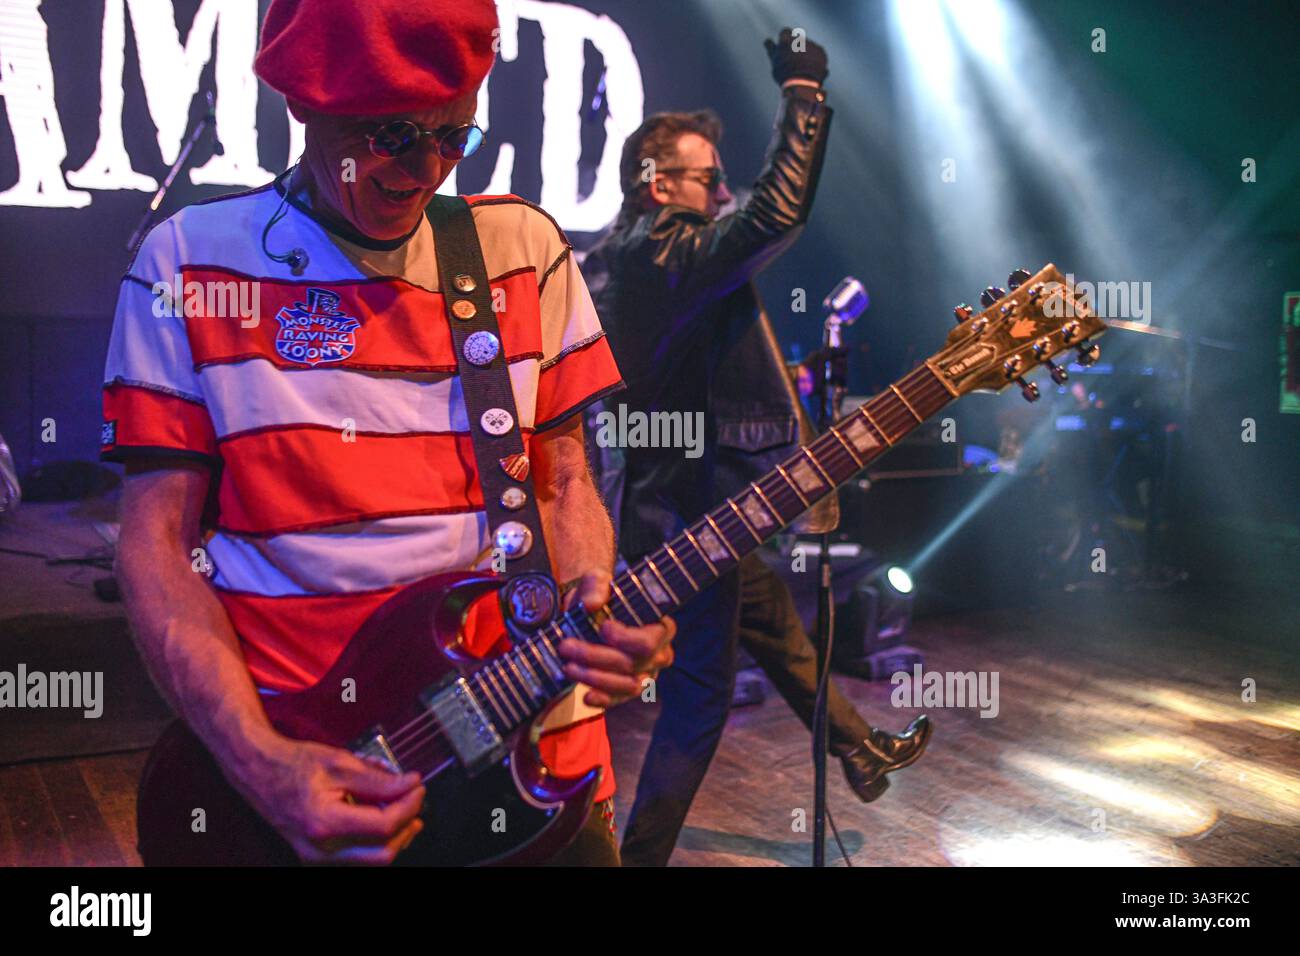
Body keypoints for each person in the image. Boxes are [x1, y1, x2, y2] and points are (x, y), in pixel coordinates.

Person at [102, 0, 672, 867]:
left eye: (454, 139)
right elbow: (155, 545)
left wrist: (602, 610)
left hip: (534, 763)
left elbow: (564, 485)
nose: (422, 171)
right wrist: (262, 766)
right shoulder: (187, 265)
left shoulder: (524, 249)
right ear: (304, 102)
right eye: (391, 135)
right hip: (306, 766)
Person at [582, 28, 931, 867]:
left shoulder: (629, 258)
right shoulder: (661, 249)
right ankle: (640, 856)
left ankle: (855, 746)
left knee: (774, 627)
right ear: (657, 181)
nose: (722, 193)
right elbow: (776, 211)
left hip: (697, 505)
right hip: (691, 513)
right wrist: (803, 94)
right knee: (699, 697)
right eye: (707, 179)